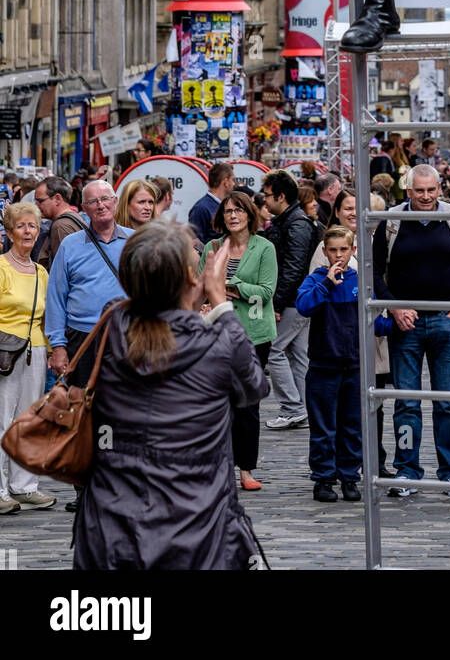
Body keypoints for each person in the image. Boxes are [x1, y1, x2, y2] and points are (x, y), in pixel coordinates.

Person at [73, 223, 269, 569]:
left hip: (111, 524)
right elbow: (254, 386)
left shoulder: (114, 324)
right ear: (191, 281)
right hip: (196, 524)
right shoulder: (214, 342)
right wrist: (220, 300)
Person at [373, 164, 450, 496]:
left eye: (432, 190)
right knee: (406, 403)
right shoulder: (391, 222)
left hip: (447, 322)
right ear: (409, 191)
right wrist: (394, 306)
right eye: (420, 191)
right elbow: (375, 271)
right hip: (407, 323)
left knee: (447, 402)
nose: (427, 196)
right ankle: (407, 469)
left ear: (440, 188)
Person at [44, 179, 133, 511]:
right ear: (84, 208)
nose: (100, 206)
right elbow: (56, 297)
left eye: (105, 199)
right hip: (82, 339)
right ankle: (85, 485)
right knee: (82, 415)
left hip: (124, 337)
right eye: (93, 201)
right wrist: (58, 346)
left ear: (115, 202)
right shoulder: (71, 245)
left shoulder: (133, 242)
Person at [296, 227, 390, 501]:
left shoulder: (361, 281)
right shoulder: (315, 279)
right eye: (333, 250)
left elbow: (372, 321)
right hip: (324, 365)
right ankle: (324, 478)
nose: (338, 255)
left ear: (353, 251)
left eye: (343, 250)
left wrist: (394, 323)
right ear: (325, 252)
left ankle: (349, 476)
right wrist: (326, 283)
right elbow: (304, 306)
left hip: (355, 364)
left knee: (352, 425)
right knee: (323, 427)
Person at [200, 190, 277, 491]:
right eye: (228, 211)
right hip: (217, 334)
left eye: (239, 210)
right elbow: (203, 287)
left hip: (255, 336)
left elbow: (266, 292)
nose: (233, 215)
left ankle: (246, 468)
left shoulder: (264, 248)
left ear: (249, 215)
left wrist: (232, 286)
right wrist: (216, 294)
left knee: (248, 405)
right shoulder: (212, 246)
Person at [0, 202, 56, 514]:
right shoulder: (1, 268)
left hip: (34, 351)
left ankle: (23, 487)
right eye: (20, 226)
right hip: (5, 352)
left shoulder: (40, 271)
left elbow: (47, 315)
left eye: (32, 226)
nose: (27, 231)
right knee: (0, 420)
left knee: (27, 422)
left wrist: (50, 349)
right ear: (9, 232)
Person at [262, 170, 318, 430]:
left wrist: (276, 304)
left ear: (281, 197)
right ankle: (303, 408)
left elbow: (293, 268)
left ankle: (292, 408)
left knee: (273, 351)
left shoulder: (296, 223)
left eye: (267, 195)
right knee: (298, 354)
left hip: (294, 301)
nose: (264, 200)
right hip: (297, 300)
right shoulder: (289, 221)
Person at [33, 176, 84, 271]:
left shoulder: (60, 226)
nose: (36, 205)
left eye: (40, 201)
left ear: (57, 199)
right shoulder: (74, 218)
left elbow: (66, 269)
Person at [188, 162, 235, 247]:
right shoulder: (201, 208)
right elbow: (195, 244)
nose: (234, 184)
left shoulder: (224, 205)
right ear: (226, 182)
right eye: (233, 180)